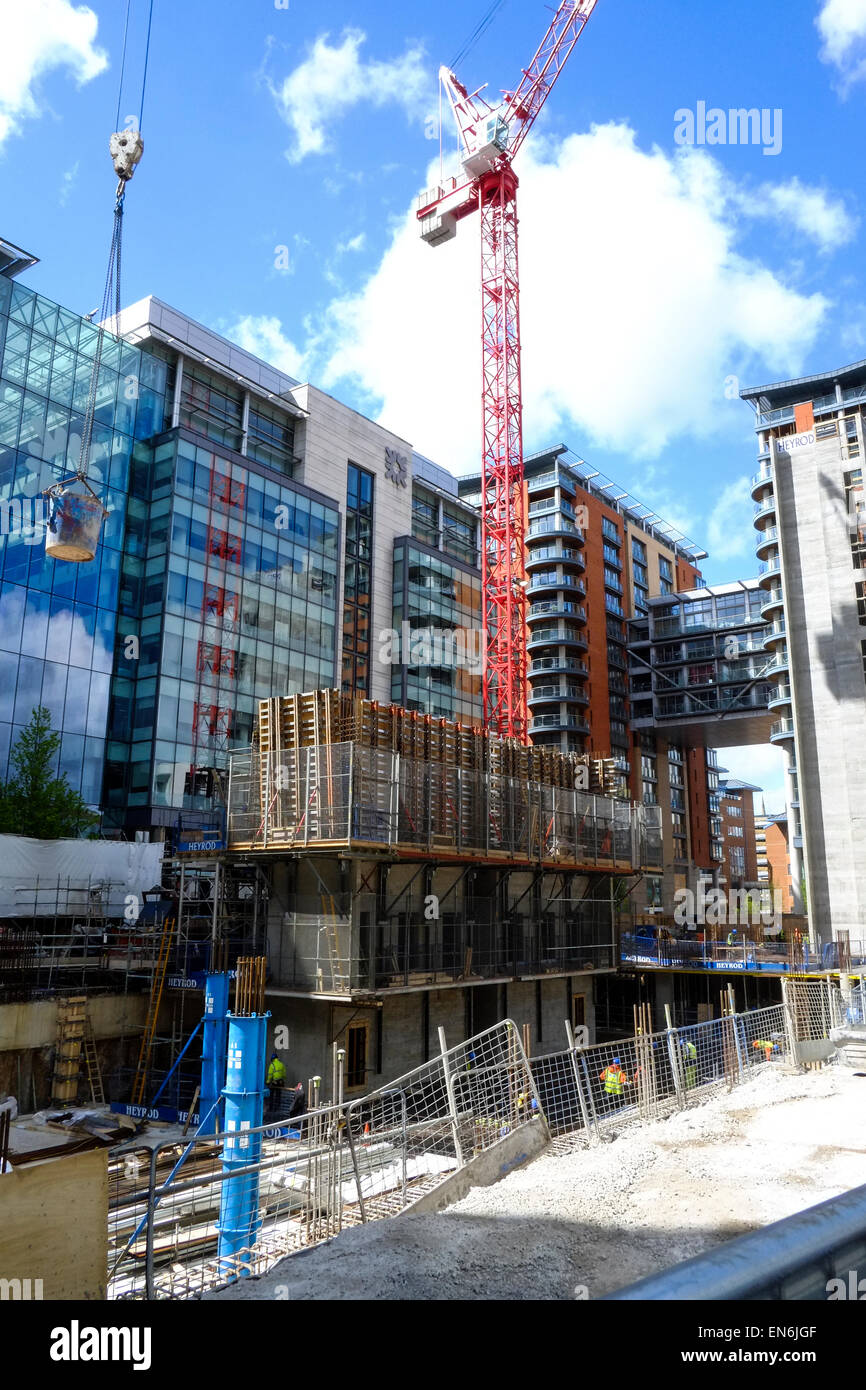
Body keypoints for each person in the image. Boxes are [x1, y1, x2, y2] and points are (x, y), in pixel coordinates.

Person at [266, 1051, 286, 1116]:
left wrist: (268, 1082)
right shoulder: (281, 1064)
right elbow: (284, 1074)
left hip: (275, 1083)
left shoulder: (272, 1065)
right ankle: (277, 1108)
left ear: (272, 1059)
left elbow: (270, 1075)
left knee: (271, 1095)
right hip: (280, 1082)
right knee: (278, 1095)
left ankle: (271, 1108)